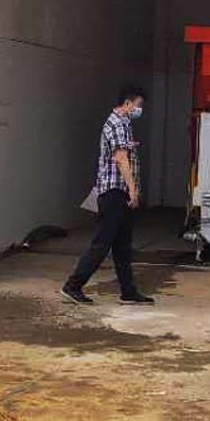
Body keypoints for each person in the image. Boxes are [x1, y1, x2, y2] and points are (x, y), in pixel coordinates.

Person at [62, 84, 155, 306]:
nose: (139, 110)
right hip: (114, 192)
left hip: (118, 193)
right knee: (101, 244)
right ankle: (73, 285)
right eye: (138, 105)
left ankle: (128, 291)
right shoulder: (117, 124)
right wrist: (133, 190)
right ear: (128, 103)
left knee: (122, 246)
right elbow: (121, 159)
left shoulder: (124, 123)